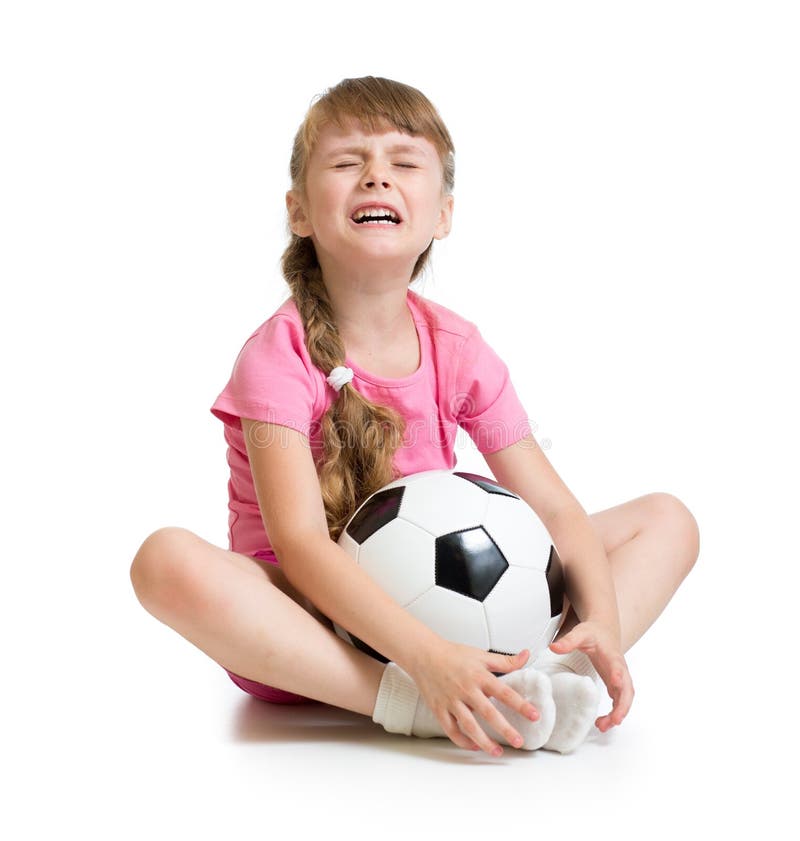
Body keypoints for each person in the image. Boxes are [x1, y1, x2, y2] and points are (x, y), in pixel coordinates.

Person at [129, 76, 700, 758]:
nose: (377, 176)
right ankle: (413, 701)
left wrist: (601, 618)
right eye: (348, 161)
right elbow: (302, 544)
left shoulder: (457, 346)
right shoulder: (277, 356)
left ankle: (560, 678)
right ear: (300, 212)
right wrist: (424, 659)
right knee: (164, 560)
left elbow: (552, 506)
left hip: (452, 607)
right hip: (311, 632)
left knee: (666, 520)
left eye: (404, 162)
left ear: (443, 214)